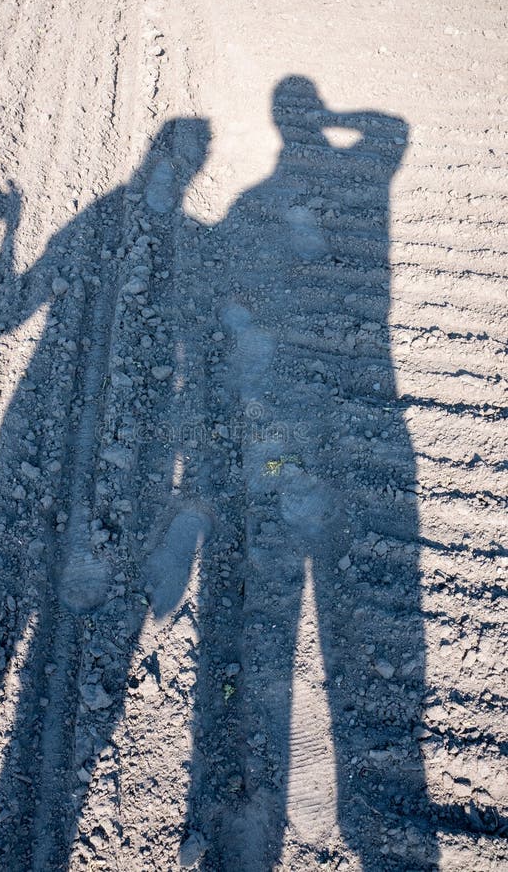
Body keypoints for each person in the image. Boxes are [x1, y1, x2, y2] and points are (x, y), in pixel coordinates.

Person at [0, 117, 211, 869]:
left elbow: (0, 315)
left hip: (19, 463)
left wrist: (11, 233)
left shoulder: (89, 227)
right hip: (115, 479)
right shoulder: (189, 247)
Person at [184, 77, 437, 869]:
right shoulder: (355, 176)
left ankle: (261, 763)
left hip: (278, 412)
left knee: (266, 570)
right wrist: (333, 120)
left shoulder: (253, 201)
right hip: (357, 396)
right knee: (336, 578)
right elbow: (391, 128)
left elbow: (391, 129)